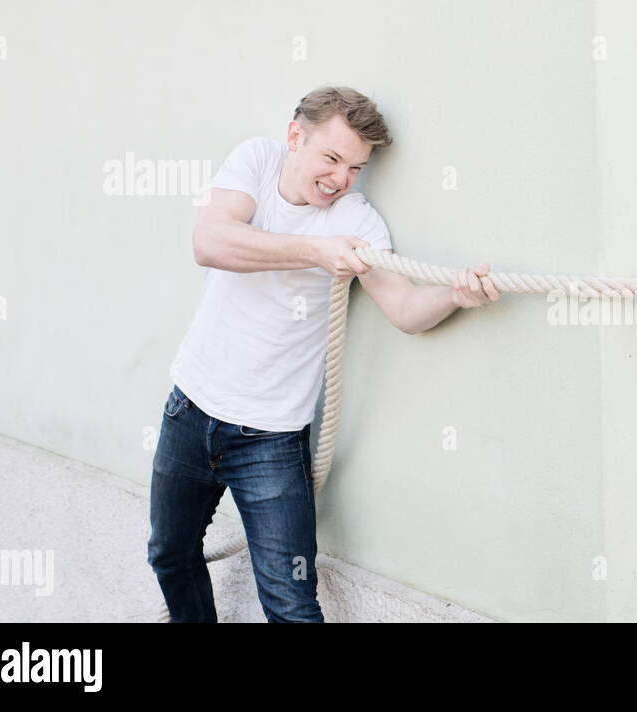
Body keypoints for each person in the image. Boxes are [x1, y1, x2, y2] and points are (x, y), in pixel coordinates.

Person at [148, 86, 501, 622]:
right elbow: (210, 241)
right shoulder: (256, 162)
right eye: (332, 158)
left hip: (269, 439)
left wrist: (457, 294)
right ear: (295, 136)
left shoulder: (355, 221)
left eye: (355, 168)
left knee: (291, 603)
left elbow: (404, 308)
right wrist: (315, 251)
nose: (340, 180)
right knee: (171, 556)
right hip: (190, 409)